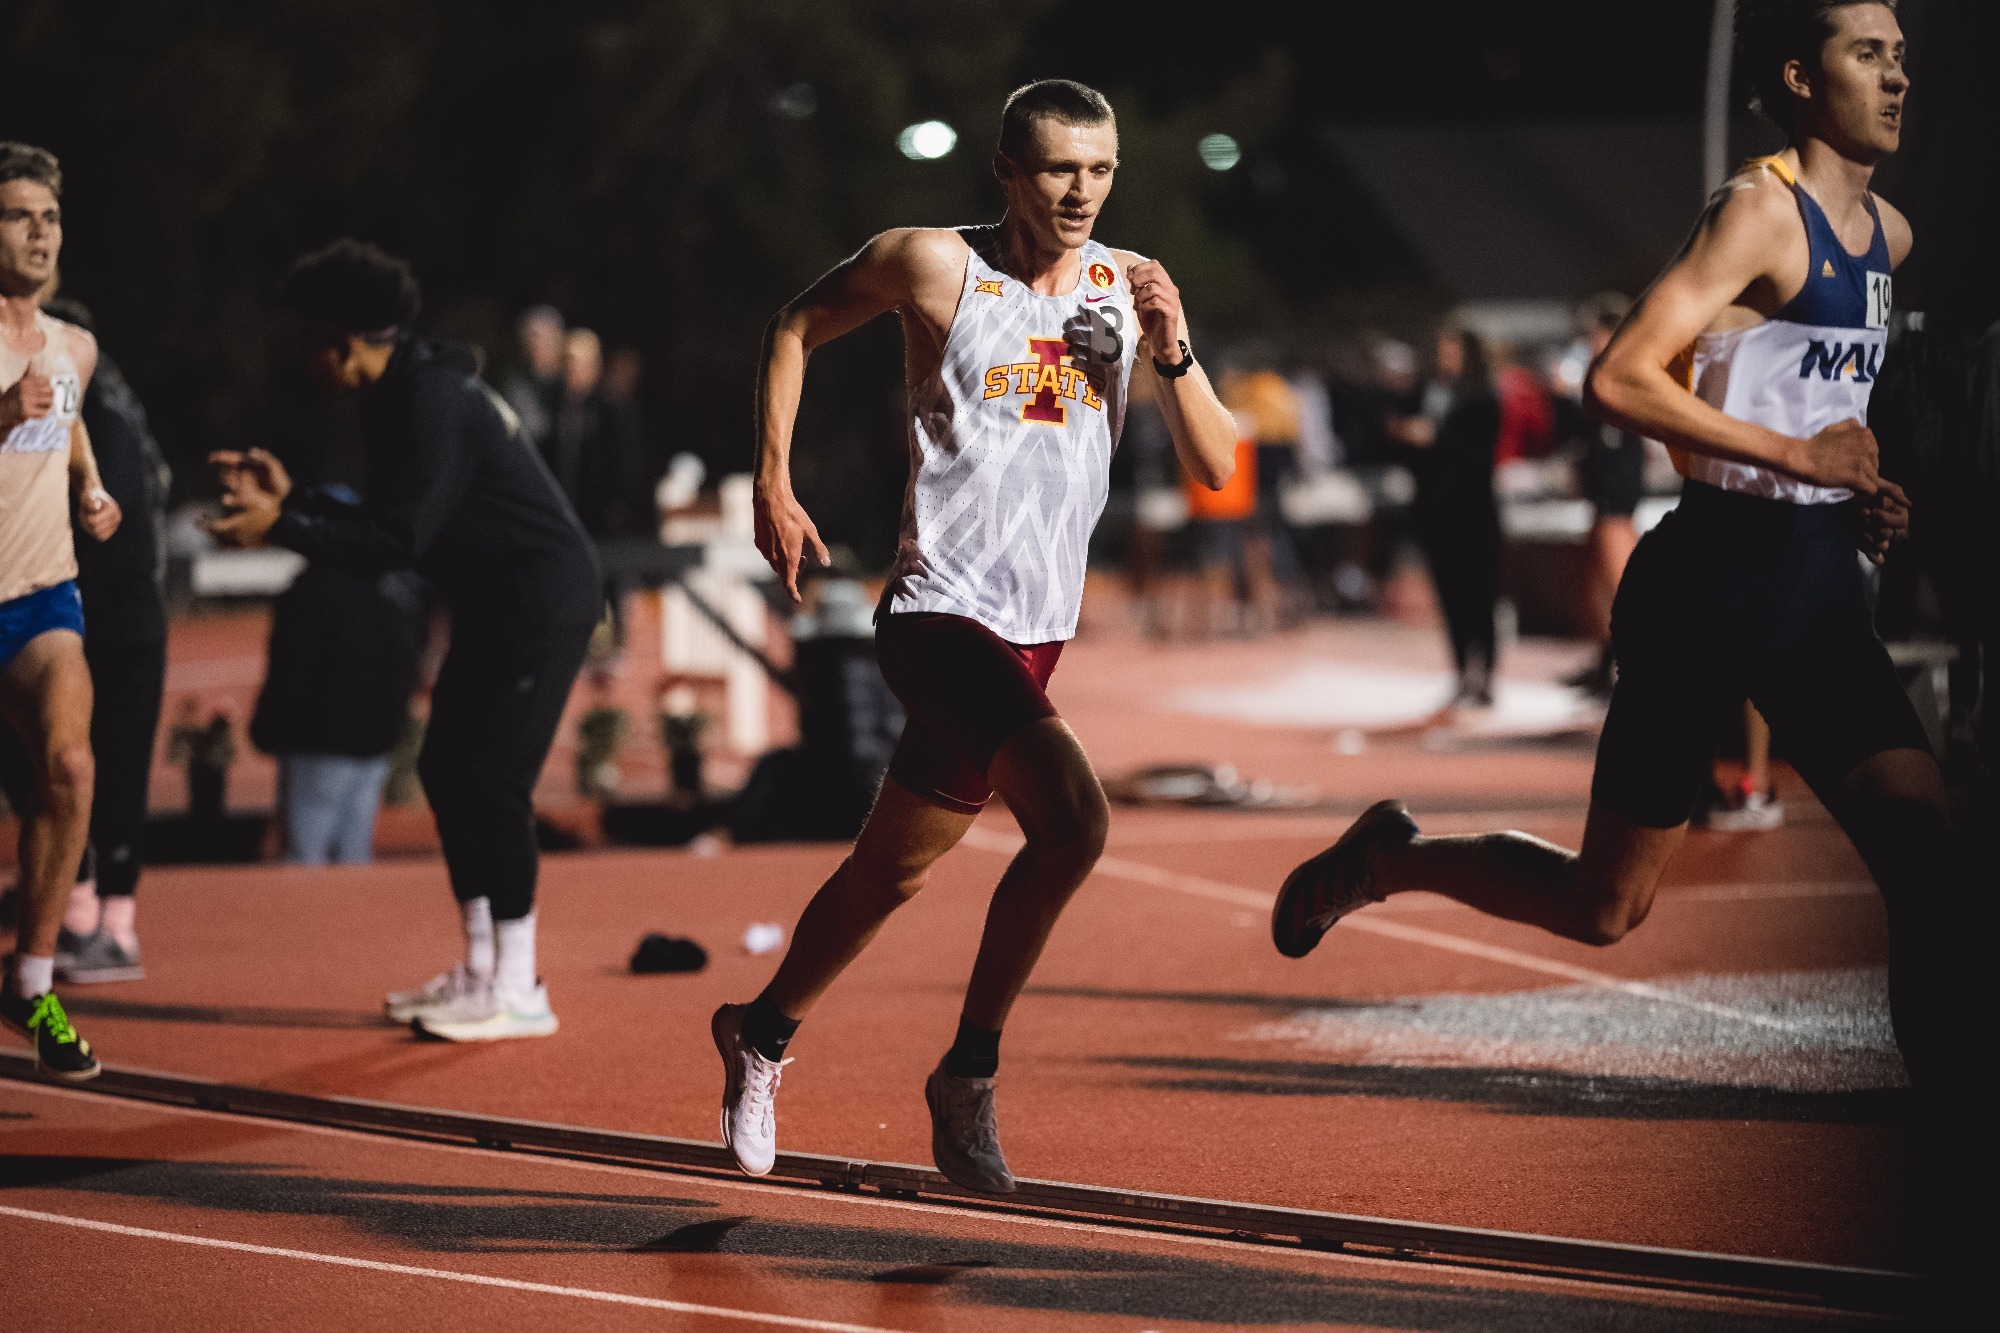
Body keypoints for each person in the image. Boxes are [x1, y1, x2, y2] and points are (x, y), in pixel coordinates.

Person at [1274, 0, 1976, 1239]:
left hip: (1817, 590)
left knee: (1925, 854)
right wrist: (1792, 457)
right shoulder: (1756, 210)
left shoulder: (1892, 235)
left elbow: (1816, 408)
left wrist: (1858, 485)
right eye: (1867, 54)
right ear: (1799, 77)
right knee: (1605, 908)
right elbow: (1617, 378)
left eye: (1900, 55)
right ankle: (1388, 858)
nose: (1896, 76)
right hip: (1705, 584)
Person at [717, 79, 1237, 1192]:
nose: (1081, 192)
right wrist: (773, 478)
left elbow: (1217, 464)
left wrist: (1173, 348)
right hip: (937, 610)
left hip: (1037, 631)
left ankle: (757, 1030)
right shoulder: (930, 264)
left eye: (1099, 170)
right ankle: (968, 1074)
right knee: (1076, 823)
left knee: (888, 873)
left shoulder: (1127, 286)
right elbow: (793, 325)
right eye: (1057, 169)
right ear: (1006, 170)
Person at [205, 239, 601, 1042]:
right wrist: (296, 501)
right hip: (495, 600)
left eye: (310, 339)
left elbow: (395, 541)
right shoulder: (402, 392)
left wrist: (282, 525)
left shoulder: (430, 397)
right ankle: (482, 970)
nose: (305, 357)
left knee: (494, 782)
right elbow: (393, 519)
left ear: (345, 341)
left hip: (539, 599)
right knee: (446, 767)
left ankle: (520, 986)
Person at [0, 294, 171, 985]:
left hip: (101, 612)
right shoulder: (105, 411)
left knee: (79, 765)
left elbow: (100, 512)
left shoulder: (91, 410)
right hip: (114, 608)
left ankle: (97, 920)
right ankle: (85, 913)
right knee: (77, 766)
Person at [0, 141, 119, 1078]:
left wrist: (90, 484)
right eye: (17, 217)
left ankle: (33, 980)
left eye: (50, 219)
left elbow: (68, 416)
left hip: (42, 597)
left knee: (71, 766)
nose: (39, 235)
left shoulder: (74, 344)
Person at [250, 513, 424, 865]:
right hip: (375, 742)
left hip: (320, 743)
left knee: (305, 854)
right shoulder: (390, 591)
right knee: (354, 854)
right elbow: (408, 667)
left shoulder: (309, 593)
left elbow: (293, 670)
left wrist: (268, 729)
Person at [1390, 320, 1503, 707]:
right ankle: (1461, 672)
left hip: (1474, 510)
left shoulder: (1481, 396)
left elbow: (1474, 446)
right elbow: (1400, 437)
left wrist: (1434, 436)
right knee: (1450, 594)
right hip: (1435, 510)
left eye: (1453, 349)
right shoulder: (1428, 391)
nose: (1445, 356)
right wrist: (1407, 434)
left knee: (1480, 594)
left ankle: (1484, 675)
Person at [1560, 293, 1647, 700]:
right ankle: (1605, 659)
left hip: (1618, 485)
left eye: (1597, 334)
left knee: (1620, 579)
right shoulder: (1603, 371)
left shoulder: (1625, 369)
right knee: (1594, 577)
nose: (1591, 342)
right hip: (1603, 485)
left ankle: (1635, 666)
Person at [500, 304, 564, 452]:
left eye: (536, 336)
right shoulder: (516, 384)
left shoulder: (570, 382)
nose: (529, 343)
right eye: (525, 336)